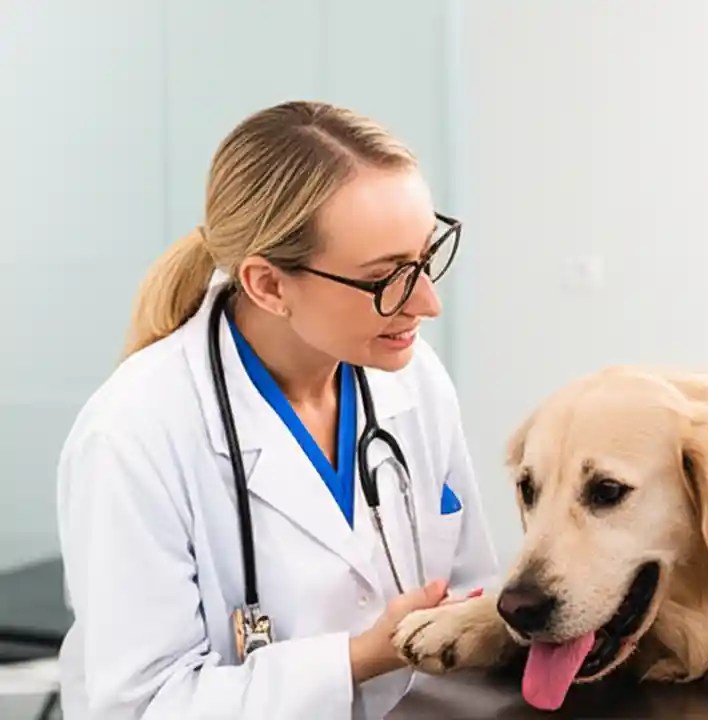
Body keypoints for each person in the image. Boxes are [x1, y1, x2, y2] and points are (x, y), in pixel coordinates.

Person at [55, 101, 499, 719]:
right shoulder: (135, 433)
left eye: (427, 258)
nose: (426, 303)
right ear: (267, 284)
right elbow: (141, 706)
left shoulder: (413, 380)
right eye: (387, 277)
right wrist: (362, 656)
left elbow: (470, 605)